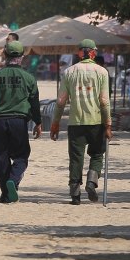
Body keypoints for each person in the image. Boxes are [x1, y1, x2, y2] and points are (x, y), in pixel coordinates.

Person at [50, 38, 112, 204]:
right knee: (98, 154)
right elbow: (104, 101)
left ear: (79, 53)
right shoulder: (102, 72)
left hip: (75, 123)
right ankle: (91, 182)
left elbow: (61, 101)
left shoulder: (69, 72)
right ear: (92, 53)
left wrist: (55, 123)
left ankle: (75, 194)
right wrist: (108, 124)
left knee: (76, 158)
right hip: (96, 122)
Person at [0, 40, 41, 203]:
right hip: (18, 122)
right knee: (21, 156)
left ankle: (5, 194)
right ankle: (12, 180)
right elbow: (34, 102)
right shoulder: (29, 78)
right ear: (22, 57)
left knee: (1, 157)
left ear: (5, 56)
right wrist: (38, 122)